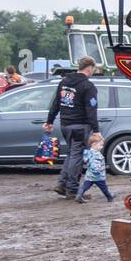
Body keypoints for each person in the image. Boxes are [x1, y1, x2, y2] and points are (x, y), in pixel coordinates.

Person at [45, 55, 100, 199]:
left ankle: (62, 184)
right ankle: (73, 190)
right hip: (80, 126)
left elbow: (56, 103)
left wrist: (49, 121)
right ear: (90, 68)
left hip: (65, 125)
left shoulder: (64, 82)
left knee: (71, 154)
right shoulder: (88, 86)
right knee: (77, 157)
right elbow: (91, 110)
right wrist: (96, 130)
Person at [76, 133, 114, 202]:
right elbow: (94, 165)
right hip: (98, 175)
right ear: (94, 144)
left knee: (85, 186)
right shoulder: (96, 155)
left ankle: (79, 194)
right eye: (100, 145)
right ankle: (109, 197)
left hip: (89, 175)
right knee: (104, 188)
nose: (102, 147)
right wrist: (99, 170)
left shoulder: (88, 153)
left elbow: (87, 162)